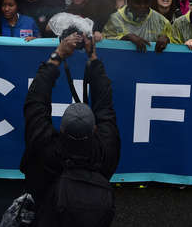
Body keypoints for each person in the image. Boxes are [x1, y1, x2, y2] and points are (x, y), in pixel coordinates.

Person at [20, 31, 118, 227]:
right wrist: (93, 58)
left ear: (61, 130)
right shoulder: (106, 151)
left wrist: (58, 55)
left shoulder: (46, 149)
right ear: (94, 130)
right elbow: (105, 105)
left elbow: (36, 102)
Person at [102, 0, 169, 52]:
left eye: (146, 2)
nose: (142, 6)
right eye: (137, 2)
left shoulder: (161, 21)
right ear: (128, 2)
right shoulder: (115, 19)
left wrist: (167, 39)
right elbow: (105, 42)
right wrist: (126, 37)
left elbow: (174, 40)